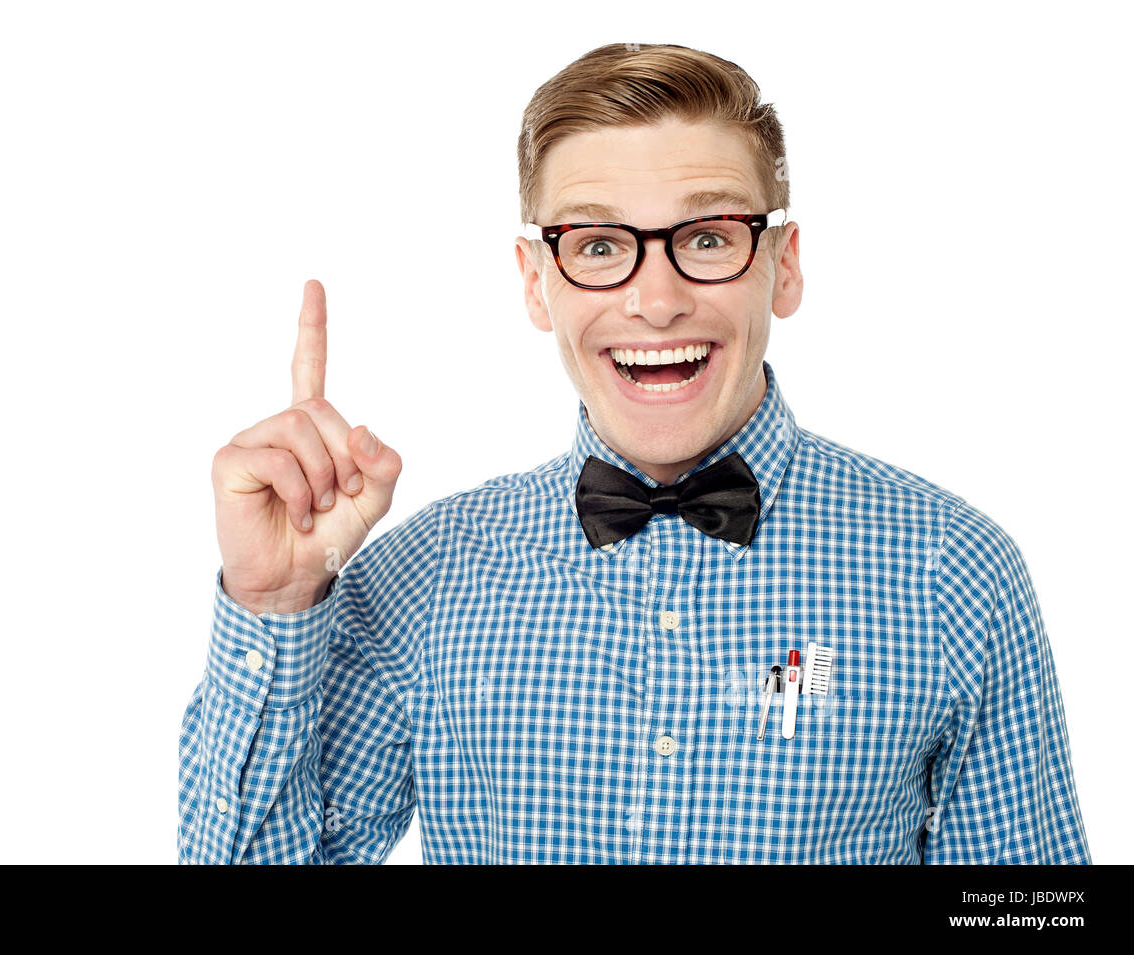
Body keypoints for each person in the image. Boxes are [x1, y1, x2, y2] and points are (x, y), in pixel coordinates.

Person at [177, 42, 1090, 864]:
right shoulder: (426, 576)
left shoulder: (953, 572)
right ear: (537, 283)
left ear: (787, 263)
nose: (655, 302)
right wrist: (274, 604)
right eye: (600, 244)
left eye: (705, 238)